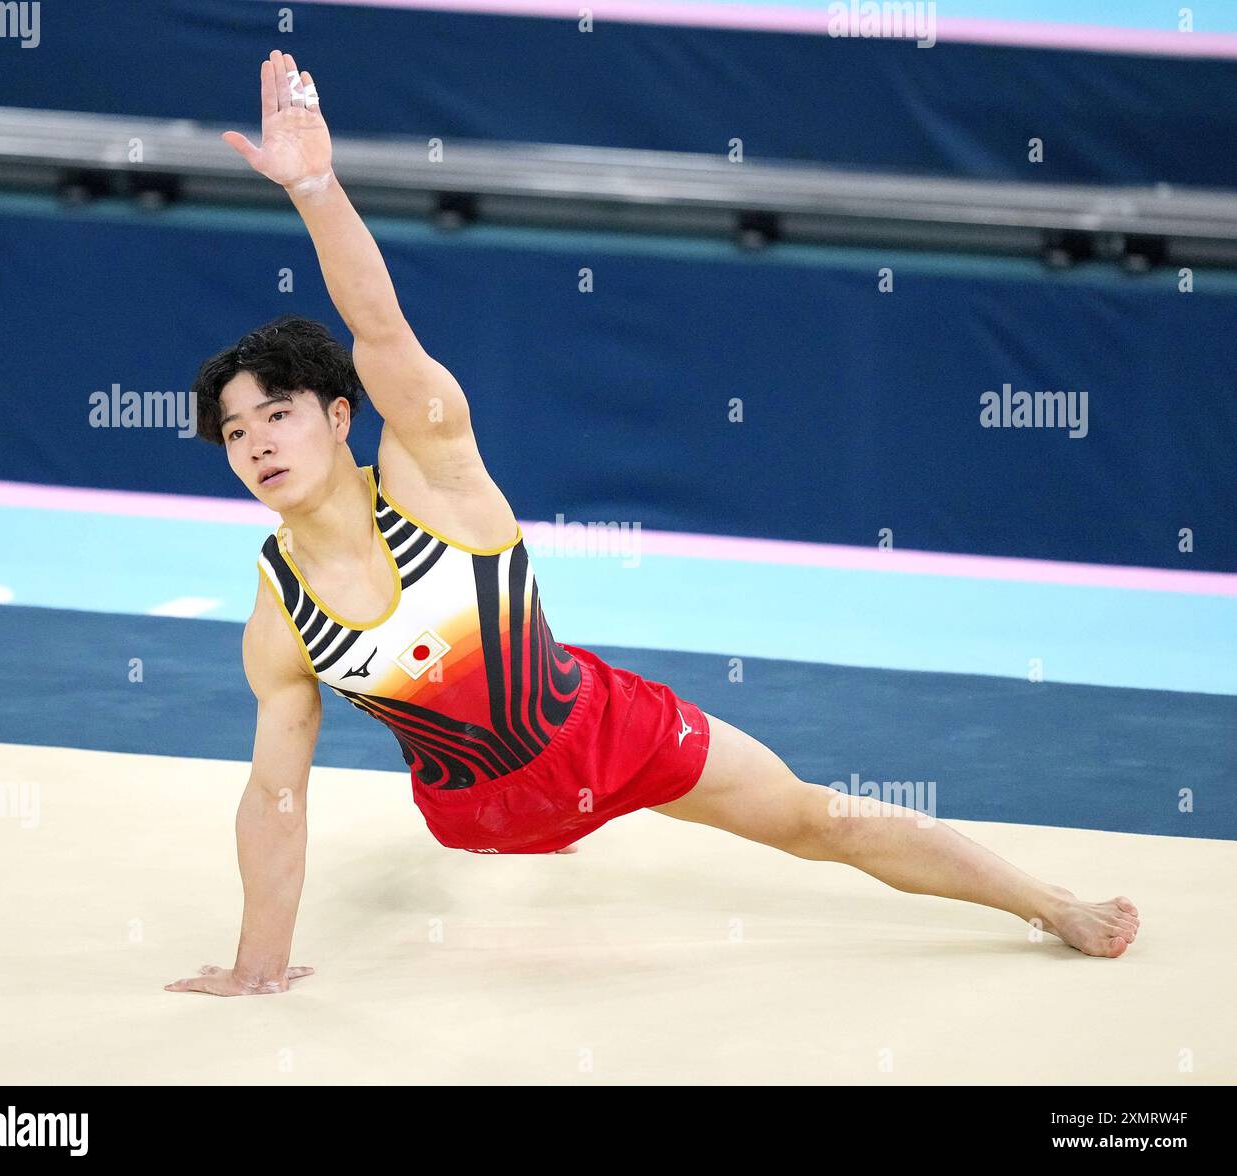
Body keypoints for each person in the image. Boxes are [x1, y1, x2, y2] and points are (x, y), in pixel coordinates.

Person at [164, 51, 1138, 997]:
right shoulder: (279, 616)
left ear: (341, 416)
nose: (257, 443)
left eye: (277, 413)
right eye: (236, 432)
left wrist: (315, 187)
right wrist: (259, 966)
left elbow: (380, 331)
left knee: (814, 818)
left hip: (604, 735)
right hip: (472, 815)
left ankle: (1049, 904)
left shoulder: (432, 479)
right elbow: (276, 798)